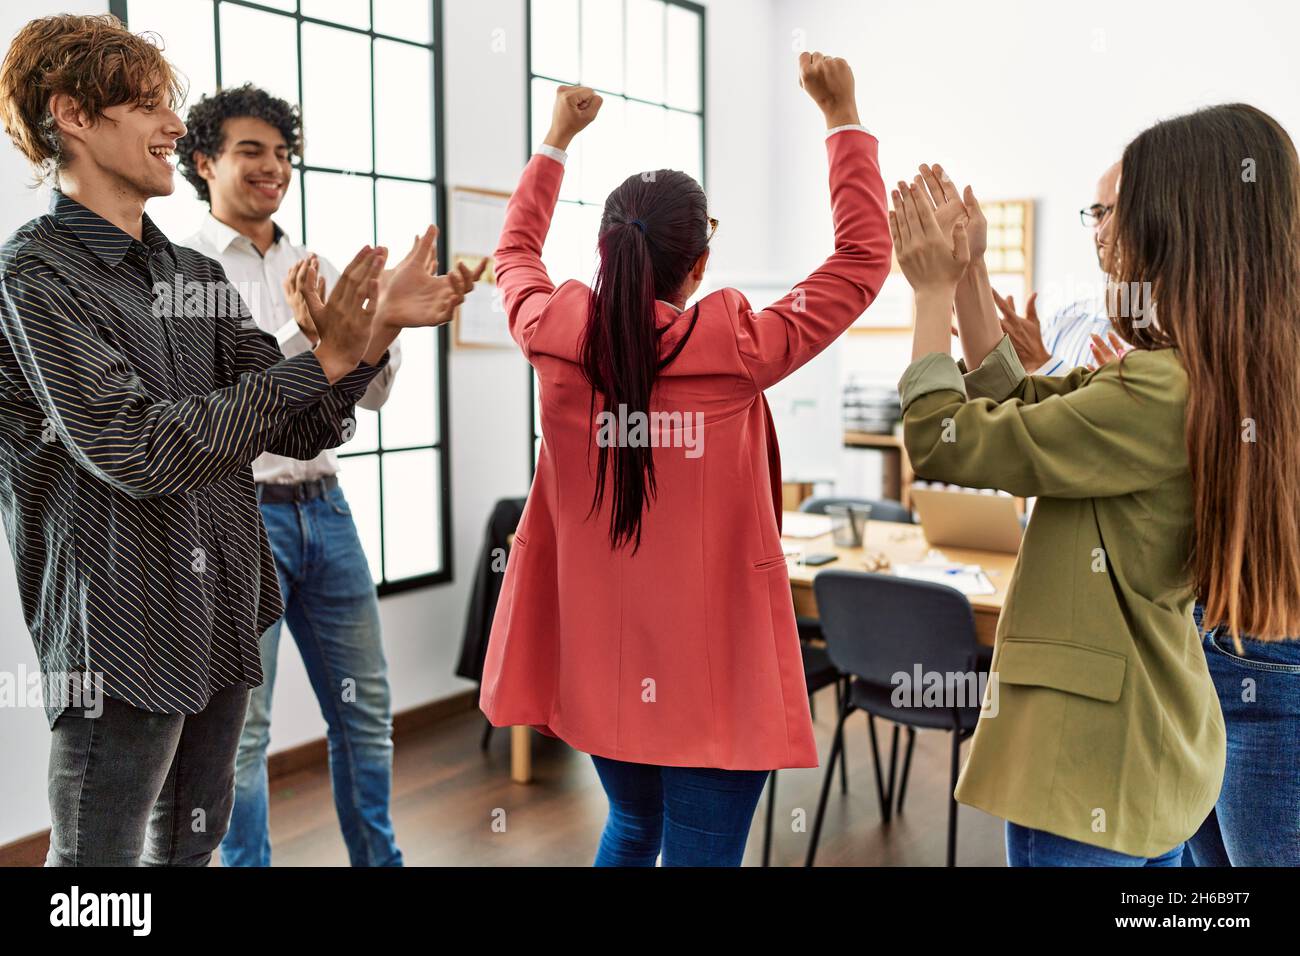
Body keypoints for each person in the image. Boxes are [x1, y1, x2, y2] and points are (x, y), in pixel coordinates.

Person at [0, 14, 474, 865]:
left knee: (194, 840)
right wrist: (325, 357)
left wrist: (368, 340)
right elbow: (136, 448)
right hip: (121, 628)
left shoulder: (194, 276)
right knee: (98, 867)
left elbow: (302, 418)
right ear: (71, 113)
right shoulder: (34, 275)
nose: (174, 127)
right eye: (146, 105)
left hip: (221, 604)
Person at [479, 52, 891, 867]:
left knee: (632, 828)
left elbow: (514, 252)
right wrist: (842, 115)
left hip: (601, 661)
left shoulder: (551, 335)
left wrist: (555, 140)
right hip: (716, 674)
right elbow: (862, 261)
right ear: (699, 263)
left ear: (604, 253)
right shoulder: (737, 345)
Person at [887, 100, 1300, 865]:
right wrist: (972, 269)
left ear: (1180, 227)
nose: (1109, 232)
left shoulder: (1156, 390)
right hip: (1150, 752)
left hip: (1084, 761)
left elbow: (942, 439)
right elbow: (1028, 402)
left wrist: (929, 292)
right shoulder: (1210, 379)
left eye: (1123, 212)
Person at [179, 84, 426, 867]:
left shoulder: (308, 261)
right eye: (251, 151)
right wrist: (316, 339)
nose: (273, 168)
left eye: (283, 155)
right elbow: (221, 403)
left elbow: (371, 395)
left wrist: (380, 328)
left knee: (366, 712)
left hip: (328, 508)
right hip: (238, 516)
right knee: (241, 732)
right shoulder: (181, 273)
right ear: (203, 161)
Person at [991, 162, 1125, 374]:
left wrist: (1041, 363)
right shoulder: (1062, 324)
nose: (1104, 232)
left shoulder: (1180, 333)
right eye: (1099, 214)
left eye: (1123, 211)